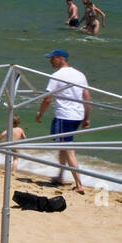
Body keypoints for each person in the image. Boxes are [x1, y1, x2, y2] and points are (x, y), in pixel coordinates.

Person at [35, 49, 90, 193]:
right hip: (77, 115)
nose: (50, 61)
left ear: (60, 58)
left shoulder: (57, 75)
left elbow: (47, 98)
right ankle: (60, 176)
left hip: (64, 116)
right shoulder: (80, 74)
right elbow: (87, 96)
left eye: (52, 59)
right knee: (63, 147)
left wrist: (40, 113)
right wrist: (86, 117)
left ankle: (79, 184)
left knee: (68, 150)